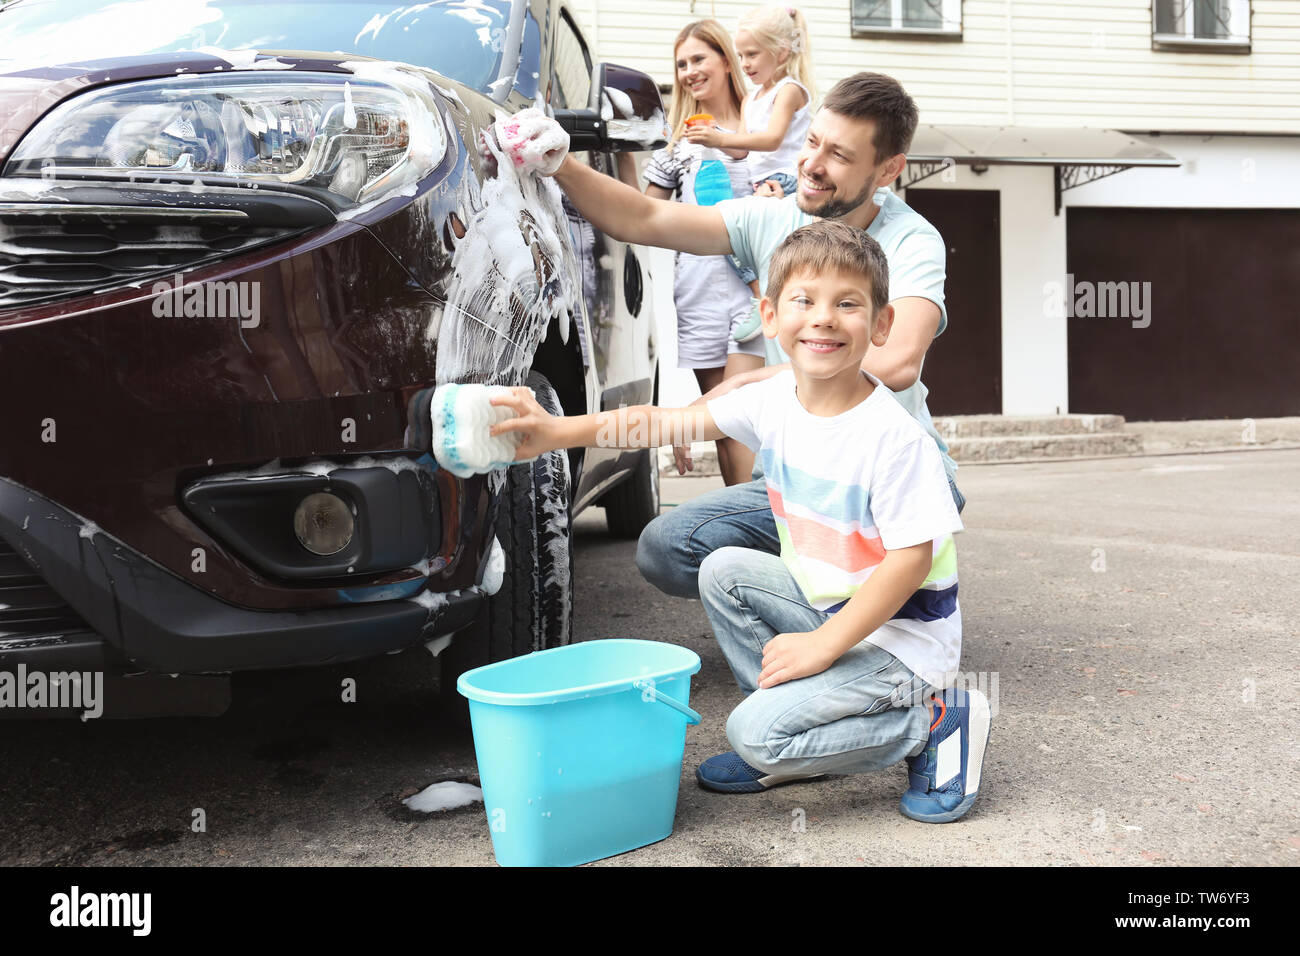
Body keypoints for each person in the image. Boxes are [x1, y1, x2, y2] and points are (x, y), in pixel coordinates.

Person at [488, 220, 990, 822]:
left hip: (904, 645)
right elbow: (659, 423)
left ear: (881, 325)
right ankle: (807, 731)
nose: (824, 318)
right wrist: (554, 431)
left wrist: (822, 646)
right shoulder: (772, 402)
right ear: (771, 316)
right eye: (805, 301)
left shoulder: (894, 439)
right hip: (831, 607)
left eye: (848, 303)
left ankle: (933, 722)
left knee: (753, 734)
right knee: (724, 569)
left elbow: (910, 563)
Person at [518, 71, 963, 598]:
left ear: (888, 170)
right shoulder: (771, 218)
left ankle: (868, 603)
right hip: (799, 474)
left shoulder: (912, 240)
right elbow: (644, 216)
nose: (813, 166)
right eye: (812, 141)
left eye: (839, 156)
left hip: (890, 473)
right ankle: (826, 597)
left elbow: (899, 362)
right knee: (668, 545)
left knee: (869, 570)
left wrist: (760, 382)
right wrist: (560, 163)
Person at [644, 19, 766, 487]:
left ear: (725, 60)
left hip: (755, 291)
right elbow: (644, 212)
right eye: (681, 65)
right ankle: (742, 518)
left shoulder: (762, 130)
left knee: (743, 412)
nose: (690, 71)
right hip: (697, 293)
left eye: (699, 59)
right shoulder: (679, 146)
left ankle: (759, 518)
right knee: (721, 422)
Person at [683, 3, 815, 203]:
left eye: (752, 54)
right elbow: (740, 150)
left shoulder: (788, 91)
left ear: (781, 52)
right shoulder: (749, 100)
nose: (744, 63)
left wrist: (719, 139)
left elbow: (772, 139)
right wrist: (709, 135)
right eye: (740, 55)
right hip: (757, 182)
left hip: (785, 179)